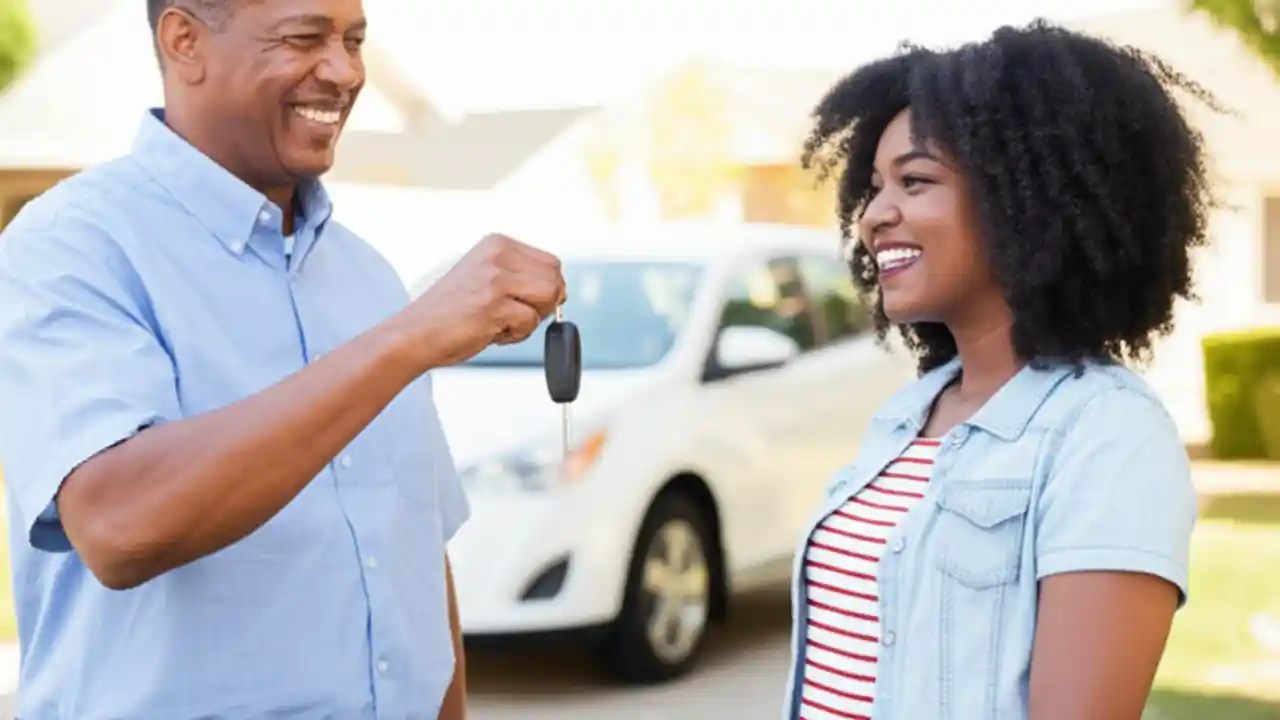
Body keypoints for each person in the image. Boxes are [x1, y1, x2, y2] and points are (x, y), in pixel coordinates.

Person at [0, 0, 565, 717]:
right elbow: (118, 524)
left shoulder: (365, 275)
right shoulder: (72, 246)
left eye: (354, 41)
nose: (345, 71)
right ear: (185, 41)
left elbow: (413, 559)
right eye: (305, 38)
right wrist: (409, 339)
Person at [783, 20, 1213, 720]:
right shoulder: (906, 416)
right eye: (874, 187)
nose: (873, 218)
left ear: (1027, 201)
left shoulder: (1106, 434)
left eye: (915, 181)